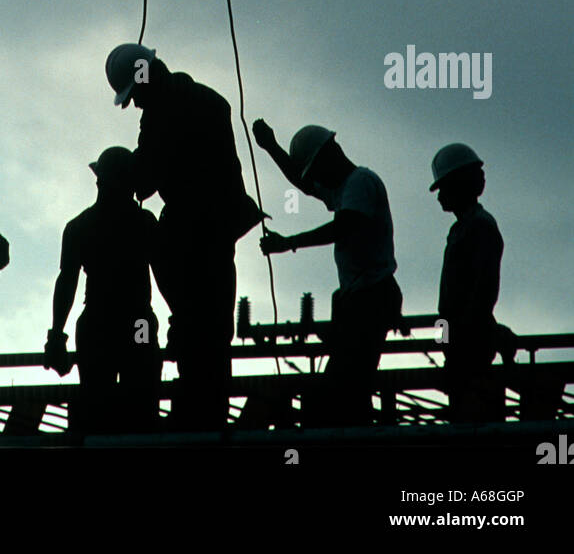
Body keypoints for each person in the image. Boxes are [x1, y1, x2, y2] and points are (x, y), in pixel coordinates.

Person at [106, 44, 264, 430]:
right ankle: (208, 410)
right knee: (213, 327)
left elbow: (146, 178)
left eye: (136, 94)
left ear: (145, 76)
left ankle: (197, 413)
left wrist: (128, 173)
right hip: (220, 228)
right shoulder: (210, 100)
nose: (138, 104)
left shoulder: (163, 112)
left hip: (192, 230)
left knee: (195, 323)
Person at [253, 119, 401, 426]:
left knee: (347, 383)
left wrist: (289, 243)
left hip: (371, 297)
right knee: (347, 383)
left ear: (330, 156)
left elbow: (344, 226)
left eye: (317, 169)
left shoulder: (360, 182)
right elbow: (304, 183)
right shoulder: (344, 187)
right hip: (360, 298)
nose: (317, 178)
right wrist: (271, 147)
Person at [44, 146, 161, 433]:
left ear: (100, 181)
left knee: (99, 417)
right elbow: (165, 276)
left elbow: (67, 283)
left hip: (97, 325)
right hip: (138, 323)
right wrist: (181, 320)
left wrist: (57, 336)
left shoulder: (79, 227)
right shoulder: (144, 224)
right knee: (141, 416)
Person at [430, 143, 507, 422]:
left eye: (443, 187)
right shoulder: (463, 229)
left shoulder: (479, 227)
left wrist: (459, 347)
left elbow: (482, 294)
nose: (439, 196)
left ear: (460, 185)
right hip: (462, 347)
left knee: (474, 426)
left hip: (470, 350)